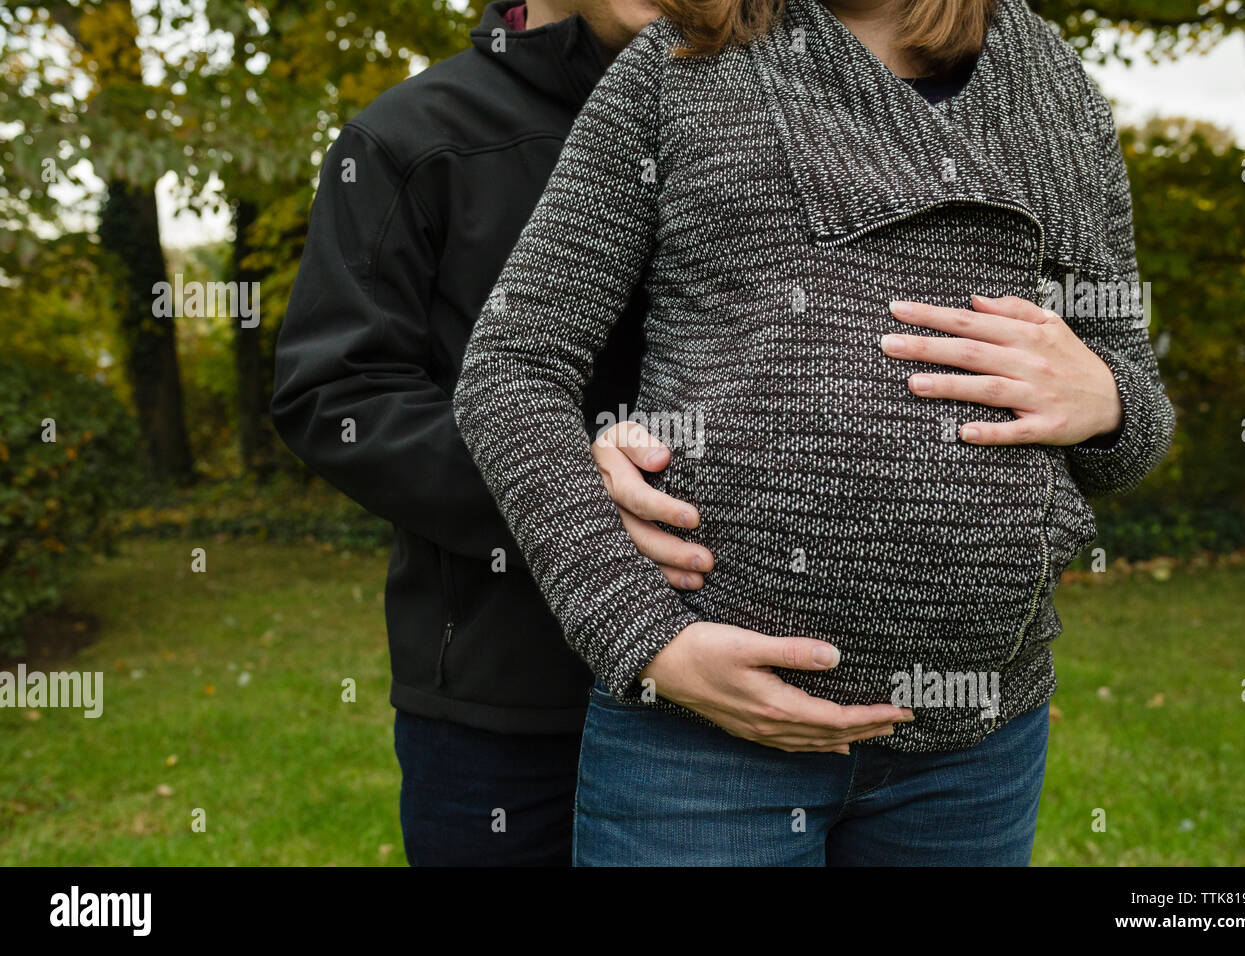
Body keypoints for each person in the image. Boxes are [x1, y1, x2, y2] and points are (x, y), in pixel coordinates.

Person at [453, 0, 1176, 865]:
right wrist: (645, 638)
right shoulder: (676, 68)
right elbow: (512, 367)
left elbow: (1130, 396)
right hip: (703, 747)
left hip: (974, 746)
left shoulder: (1052, 86)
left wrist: (1111, 403)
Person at [272, 0, 895, 867]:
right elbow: (335, 392)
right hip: (514, 698)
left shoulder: (800, 107)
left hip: (753, 682)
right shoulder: (411, 136)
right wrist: (569, 494)